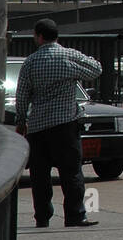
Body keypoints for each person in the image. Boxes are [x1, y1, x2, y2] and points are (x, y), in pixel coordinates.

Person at [14, 19, 102, 228]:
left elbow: (22, 95)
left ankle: (42, 217)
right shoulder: (69, 55)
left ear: (39, 36)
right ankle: (75, 216)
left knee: (40, 176)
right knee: (71, 172)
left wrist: (21, 121)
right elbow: (96, 69)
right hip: (65, 125)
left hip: (38, 127)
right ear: (56, 36)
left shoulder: (31, 62)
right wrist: (72, 71)